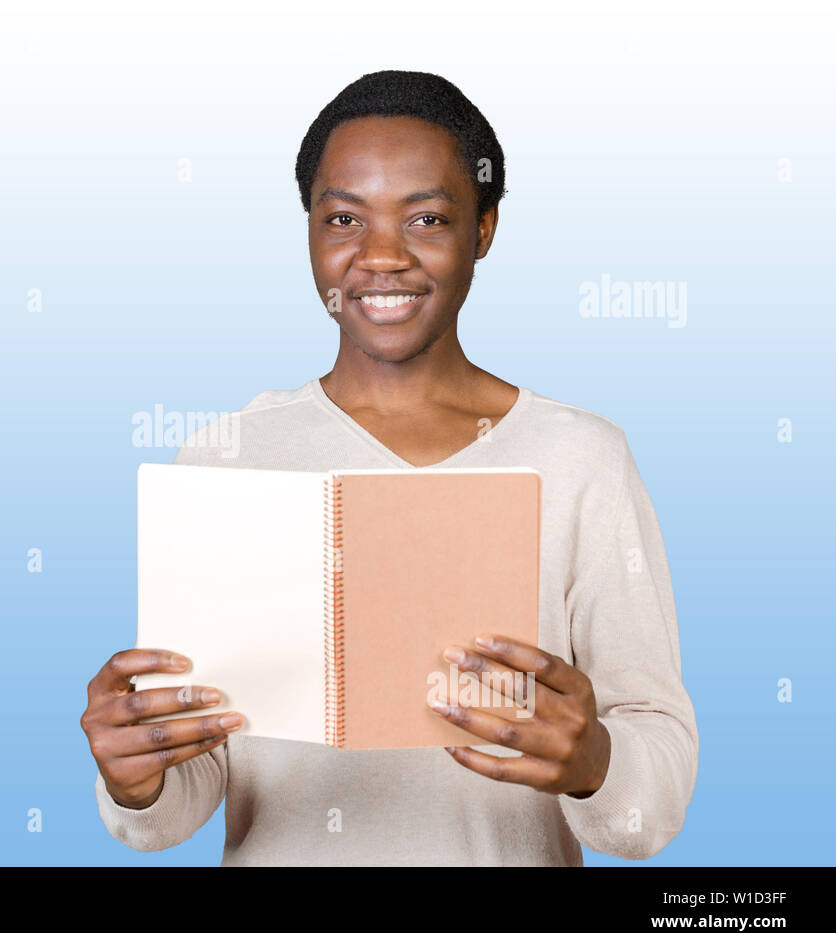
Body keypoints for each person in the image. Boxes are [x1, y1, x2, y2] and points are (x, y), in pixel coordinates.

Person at [80, 70, 698, 865]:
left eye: (428, 218)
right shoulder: (228, 456)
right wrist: (139, 776)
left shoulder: (581, 459)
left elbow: (652, 798)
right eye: (343, 217)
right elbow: (182, 795)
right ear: (307, 229)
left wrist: (595, 764)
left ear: (483, 229)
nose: (380, 256)